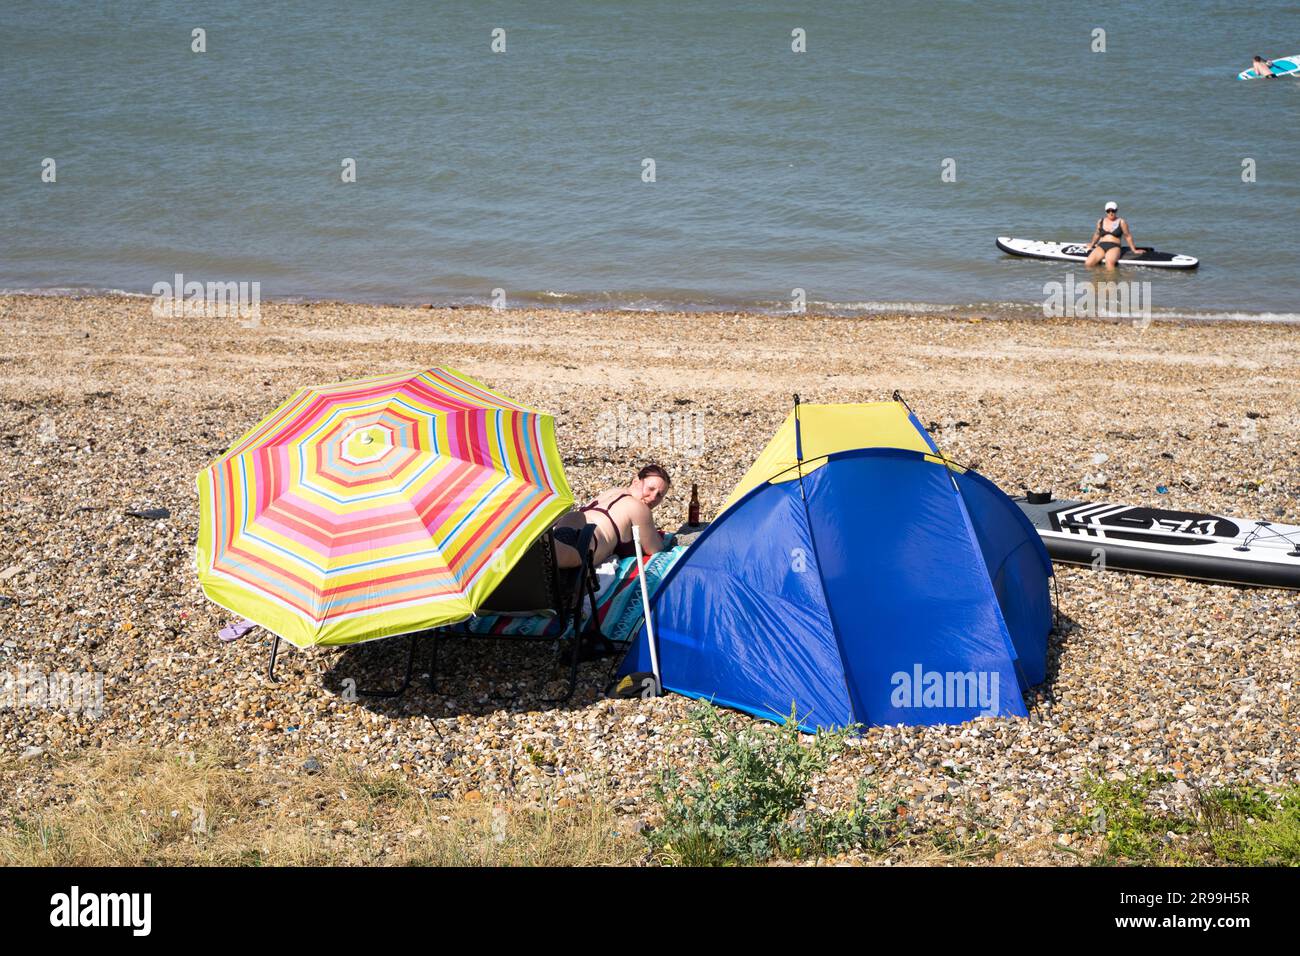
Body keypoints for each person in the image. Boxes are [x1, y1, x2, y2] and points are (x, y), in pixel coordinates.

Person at [552, 464, 671, 568]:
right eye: (650, 489)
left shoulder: (612, 492)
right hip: (589, 539)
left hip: (569, 523)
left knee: (551, 553)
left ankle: (545, 546)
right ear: (636, 481)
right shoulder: (639, 508)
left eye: (660, 495)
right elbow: (655, 549)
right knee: (562, 557)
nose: (653, 497)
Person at [1083, 202, 1142, 268]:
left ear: (1116, 210)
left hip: (1114, 246)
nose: (1111, 213)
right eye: (1108, 211)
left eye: (1113, 211)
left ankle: (1112, 278)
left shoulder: (1121, 222)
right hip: (1101, 246)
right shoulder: (1100, 221)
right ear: (1106, 212)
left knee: (1109, 264)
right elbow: (1097, 234)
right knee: (1088, 264)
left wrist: (1134, 250)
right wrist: (1092, 244)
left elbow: (1128, 236)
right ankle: (1098, 276)